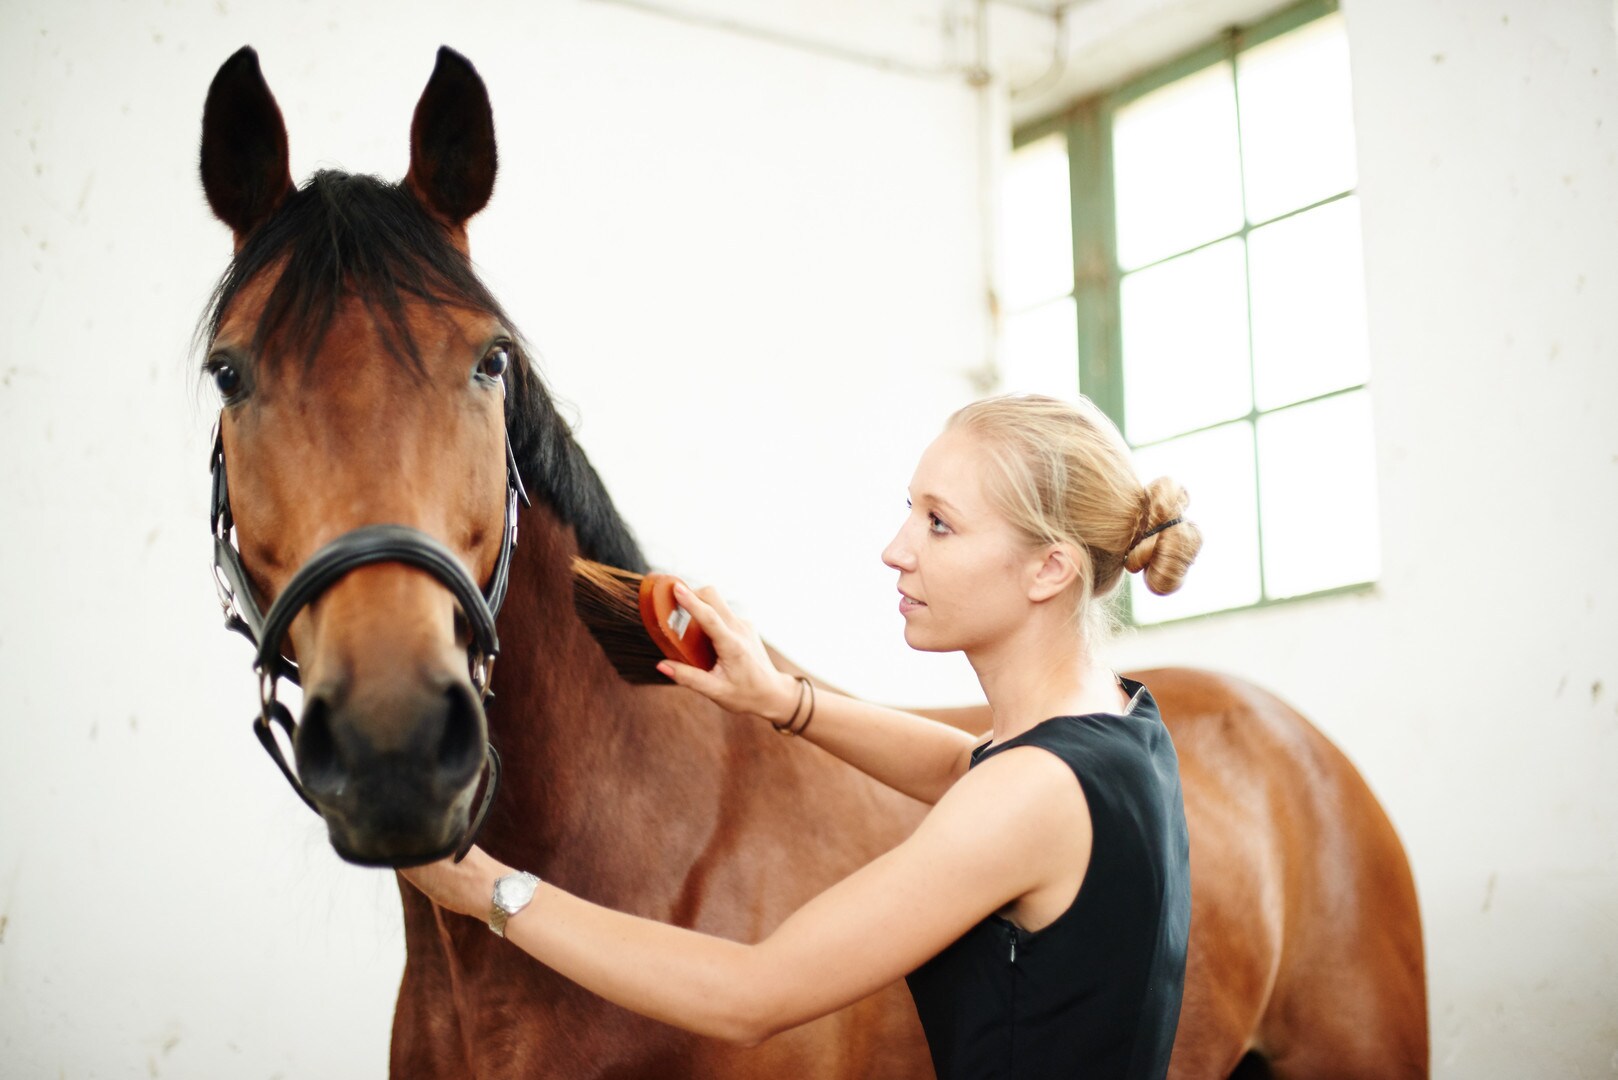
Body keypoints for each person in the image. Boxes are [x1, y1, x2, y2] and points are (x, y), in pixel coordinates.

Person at [404, 392, 1202, 1079]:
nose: (897, 551)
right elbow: (971, 764)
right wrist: (783, 699)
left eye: (940, 525)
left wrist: (489, 892)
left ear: (1048, 570)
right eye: (910, 511)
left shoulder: (1028, 797)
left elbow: (752, 993)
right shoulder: (1118, 723)